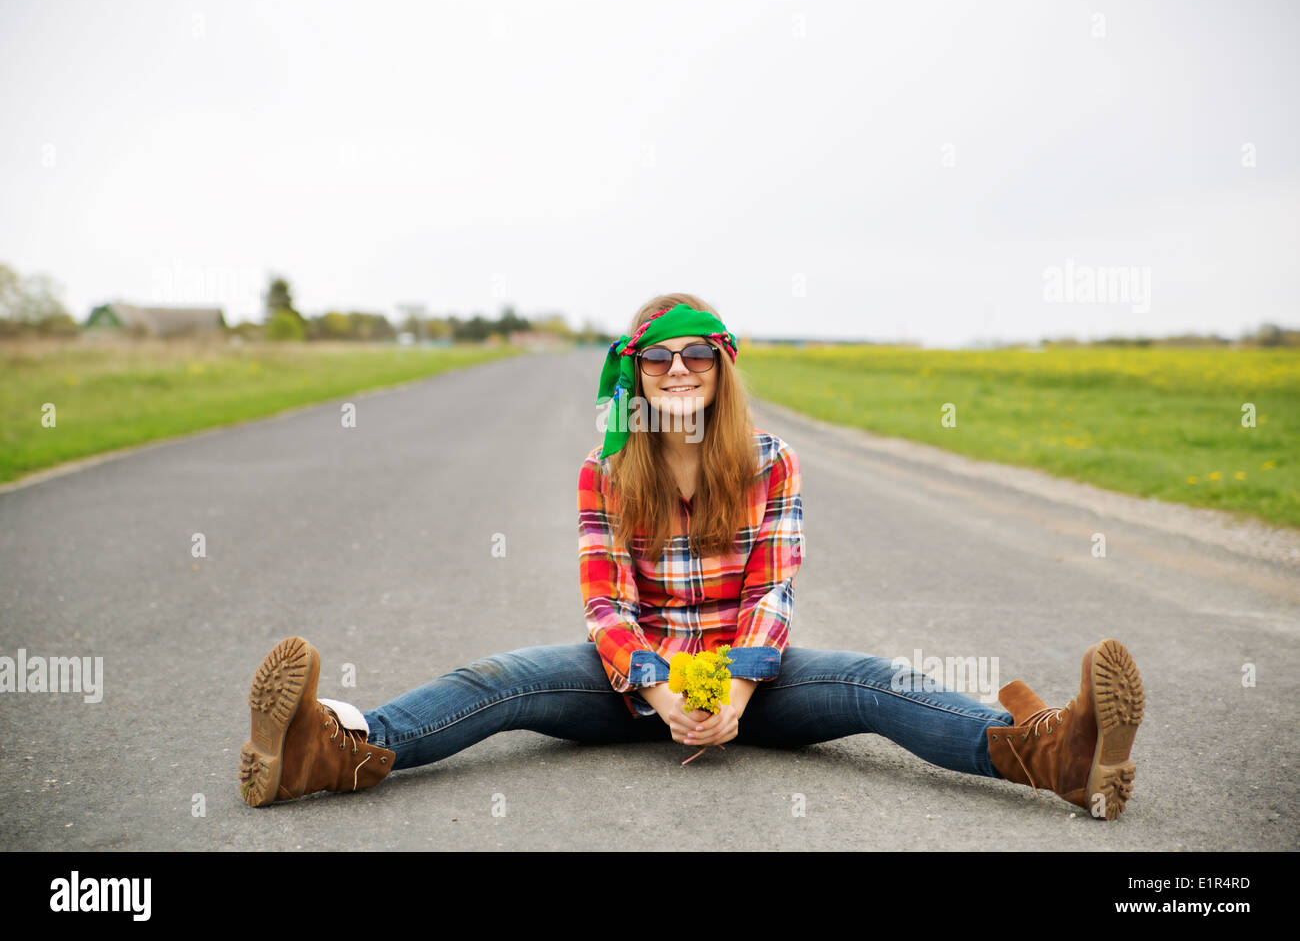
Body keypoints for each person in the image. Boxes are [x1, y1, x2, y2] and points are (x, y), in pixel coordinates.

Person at [238, 293, 1144, 819]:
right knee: (496, 681)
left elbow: (772, 596)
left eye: (698, 359)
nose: (679, 372)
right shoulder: (605, 468)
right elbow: (605, 609)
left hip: (756, 680)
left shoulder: (768, 461)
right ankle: (333, 749)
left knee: (877, 684)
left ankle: (1053, 754)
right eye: (661, 359)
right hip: (630, 678)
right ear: (637, 373)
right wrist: (662, 689)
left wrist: (737, 694)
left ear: (720, 370)